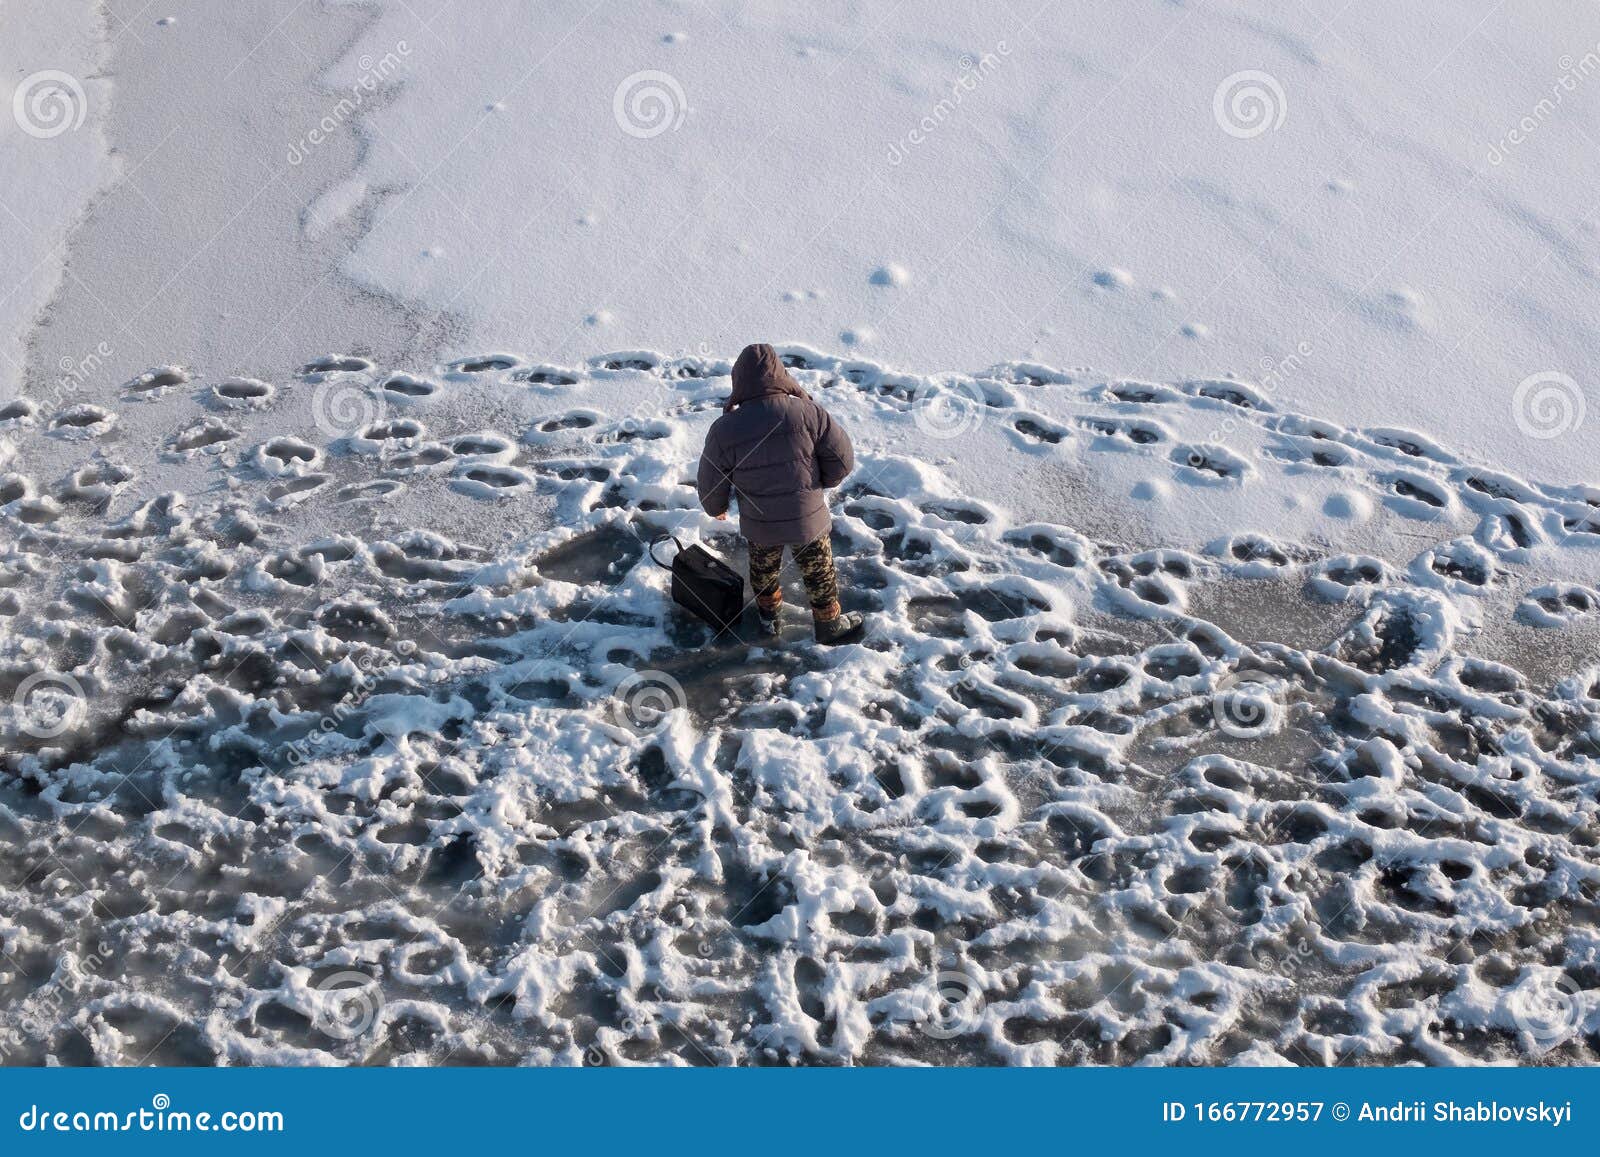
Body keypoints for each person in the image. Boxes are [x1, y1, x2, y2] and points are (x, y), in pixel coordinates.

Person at [697, 343, 866, 644]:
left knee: (763, 571)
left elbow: (712, 482)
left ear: (739, 381)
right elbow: (842, 461)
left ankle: (768, 618)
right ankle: (828, 624)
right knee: (819, 572)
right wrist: (819, 484)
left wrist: (716, 507)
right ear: (781, 375)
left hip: (760, 524)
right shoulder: (810, 413)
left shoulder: (725, 429)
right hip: (808, 519)